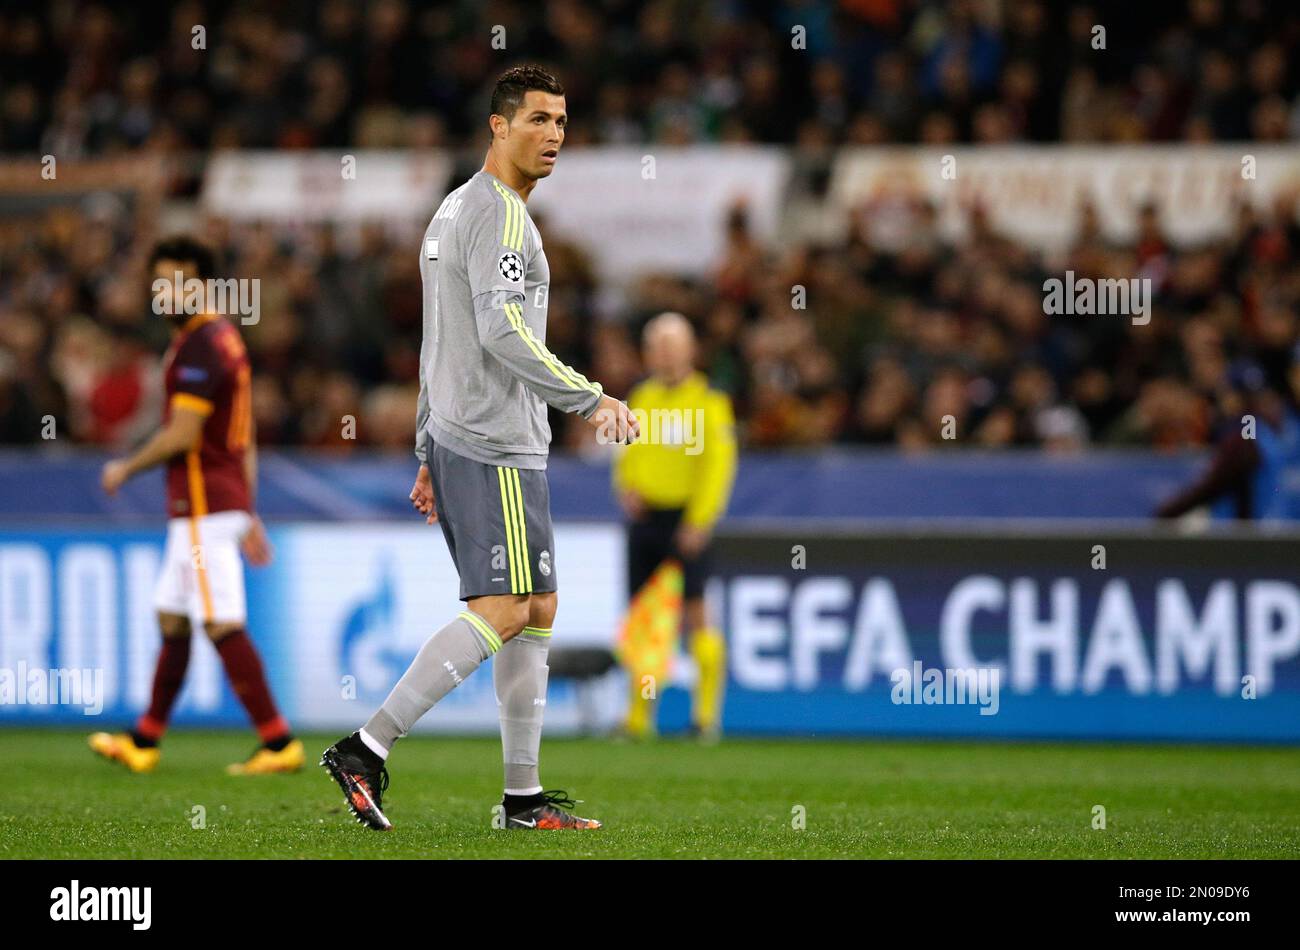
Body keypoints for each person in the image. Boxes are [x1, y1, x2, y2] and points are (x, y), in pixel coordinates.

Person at [320, 65, 639, 831]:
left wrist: (426, 445)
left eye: (561, 122)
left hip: (478, 437)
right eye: (537, 120)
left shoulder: (454, 209)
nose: (554, 135)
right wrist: (590, 398)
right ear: (498, 126)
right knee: (502, 608)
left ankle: (523, 798)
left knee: (538, 605)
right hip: (493, 438)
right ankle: (366, 747)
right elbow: (500, 332)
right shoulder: (499, 216)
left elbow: (438, 340)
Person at [91, 236, 303, 775]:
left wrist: (125, 467)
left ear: (204, 285)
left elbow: (184, 435)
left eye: (179, 282)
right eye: (160, 283)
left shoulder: (200, 346)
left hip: (205, 505)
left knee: (219, 622)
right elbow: (243, 436)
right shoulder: (220, 338)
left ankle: (278, 742)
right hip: (212, 504)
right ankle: (145, 740)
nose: (167, 292)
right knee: (174, 617)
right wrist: (247, 509)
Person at [614, 312, 738, 741]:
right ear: (647, 353)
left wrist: (700, 520)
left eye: (673, 345)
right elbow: (626, 451)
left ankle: (705, 718)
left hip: (686, 520)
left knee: (697, 613)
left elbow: (718, 466)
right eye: (657, 346)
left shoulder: (710, 400)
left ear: (690, 350)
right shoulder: (641, 396)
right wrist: (626, 488)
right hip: (646, 520)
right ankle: (638, 719)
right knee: (646, 620)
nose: (665, 354)